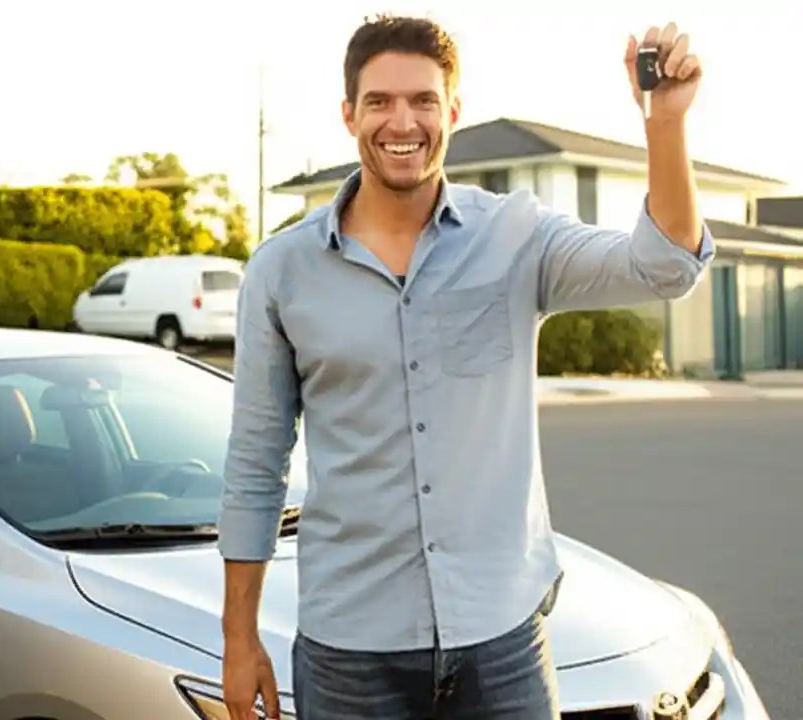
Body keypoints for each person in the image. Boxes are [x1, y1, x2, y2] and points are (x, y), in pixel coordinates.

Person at [218, 13, 712, 720]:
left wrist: (665, 123)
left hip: (501, 643)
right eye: (380, 101)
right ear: (348, 114)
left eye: (423, 100)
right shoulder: (281, 271)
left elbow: (664, 267)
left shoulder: (516, 236)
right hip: (350, 652)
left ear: (452, 111)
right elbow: (255, 461)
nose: (402, 122)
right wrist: (239, 638)